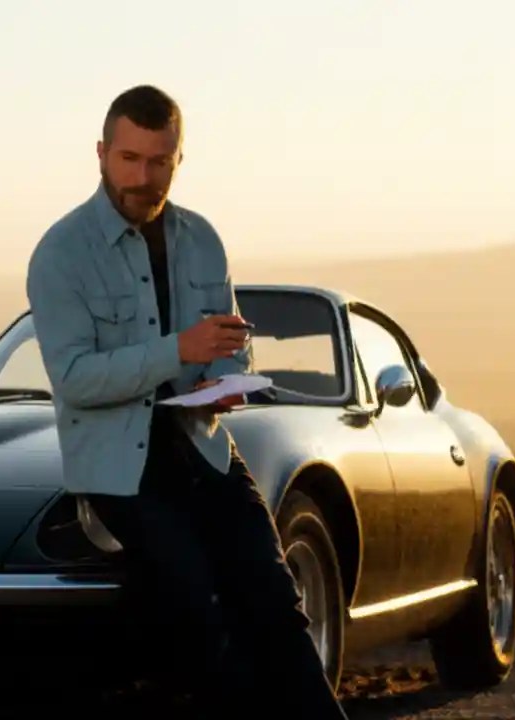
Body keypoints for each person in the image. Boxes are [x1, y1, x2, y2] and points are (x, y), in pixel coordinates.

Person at [24, 85, 350, 718]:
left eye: (158, 163)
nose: (141, 178)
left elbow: (229, 345)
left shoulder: (203, 240)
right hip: (121, 472)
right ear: (100, 154)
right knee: (200, 613)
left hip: (205, 451)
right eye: (128, 160)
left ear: (179, 160)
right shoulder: (60, 255)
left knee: (277, 603)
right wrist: (180, 351)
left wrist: (223, 378)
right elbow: (75, 380)